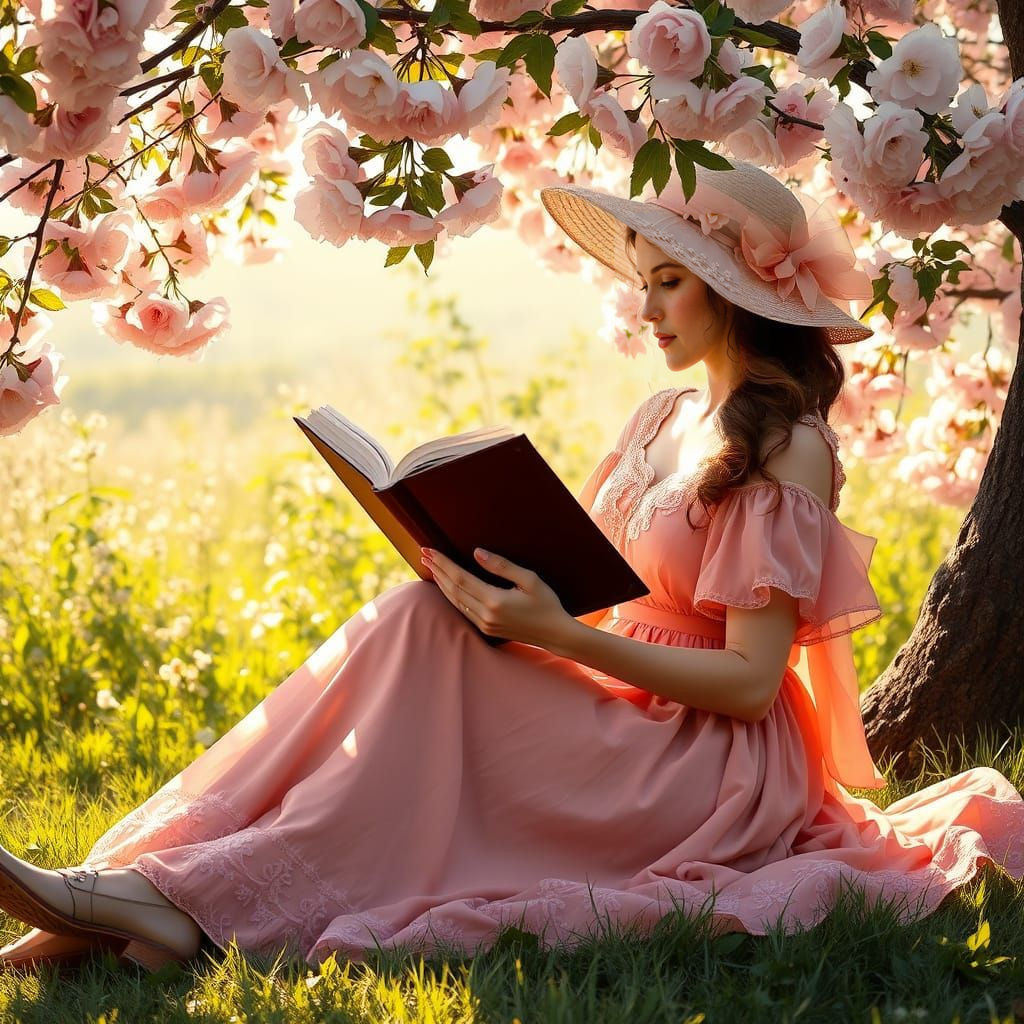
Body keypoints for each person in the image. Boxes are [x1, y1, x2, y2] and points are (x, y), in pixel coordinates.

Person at [2, 161, 1023, 975]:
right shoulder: (661, 415)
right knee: (418, 618)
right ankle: (149, 880)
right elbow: (595, 576)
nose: (647, 306)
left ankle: (172, 901)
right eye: (643, 282)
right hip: (621, 696)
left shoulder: (786, 445)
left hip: (709, 764)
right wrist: (479, 574)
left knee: (428, 669)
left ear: (729, 290)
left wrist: (558, 636)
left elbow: (755, 684)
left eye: (667, 281)